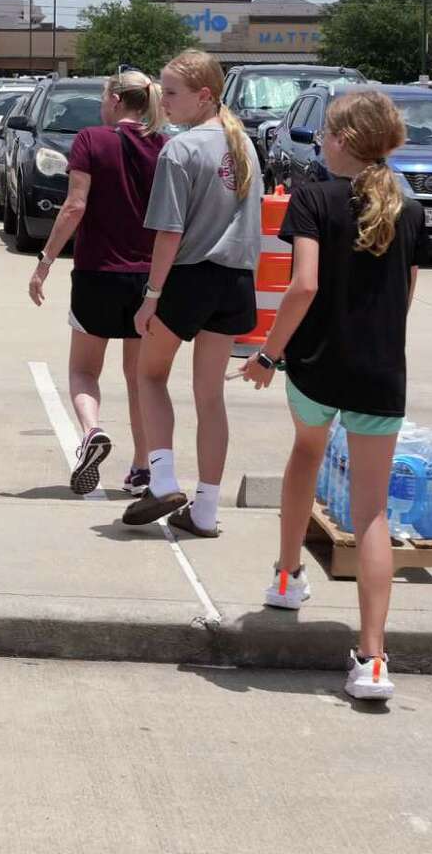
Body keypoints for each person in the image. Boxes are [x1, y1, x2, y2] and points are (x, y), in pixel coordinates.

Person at [243, 91, 423, 702]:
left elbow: (303, 286)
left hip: (317, 368)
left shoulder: (313, 199)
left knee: (305, 455)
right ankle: (372, 659)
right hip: (379, 373)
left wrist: (268, 355)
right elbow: (407, 292)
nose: (318, 141)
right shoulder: (408, 209)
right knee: (371, 513)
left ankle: (288, 576)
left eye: (324, 133)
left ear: (344, 140)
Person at [122, 48, 263, 535]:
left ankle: (162, 479)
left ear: (205, 95)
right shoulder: (243, 143)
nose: (165, 101)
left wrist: (152, 294)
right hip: (236, 278)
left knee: (150, 375)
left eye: (174, 93)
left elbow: (168, 232)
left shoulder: (179, 150)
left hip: (189, 275)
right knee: (210, 397)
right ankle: (205, 509)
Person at [28, 69, 168, 496]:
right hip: (149, 279)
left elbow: (74, 206)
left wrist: (45, 260)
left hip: (97, 274)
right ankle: (143, 468)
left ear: (114, 99)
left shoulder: (91, 140)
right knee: (141, 377)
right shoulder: (164, 146)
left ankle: (91, 432)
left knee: (84, 370)